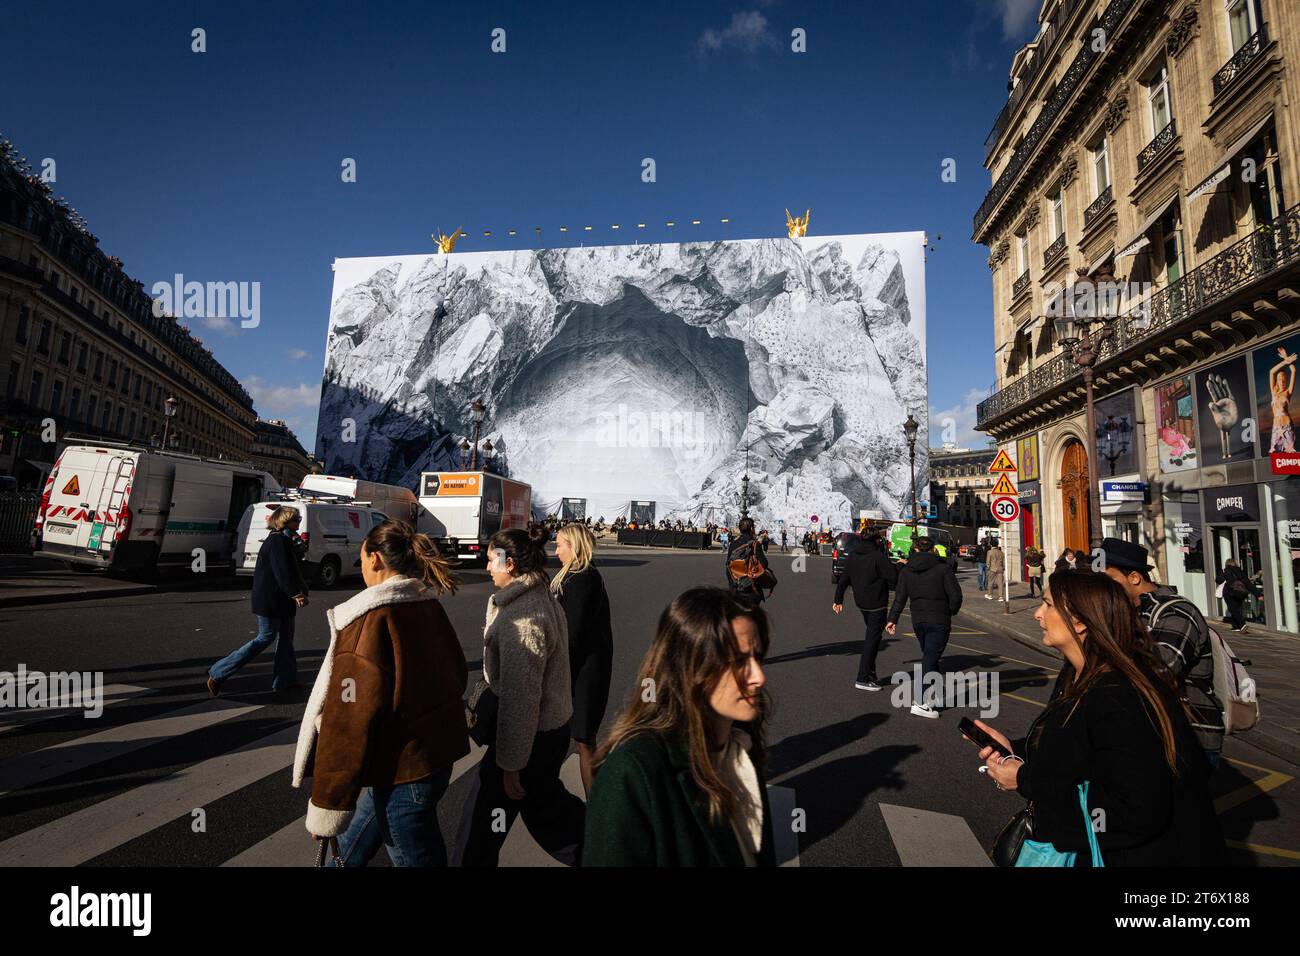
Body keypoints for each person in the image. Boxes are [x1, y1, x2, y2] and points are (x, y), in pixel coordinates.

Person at [971, 570, 1227, 865]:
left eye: (1048, 605)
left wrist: (1024, 779)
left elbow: (1133, 810)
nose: (1038, 614)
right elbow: (1079, 752)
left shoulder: (1118, 695)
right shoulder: (1077, 673)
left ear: (1080, 622)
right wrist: (1016, 749)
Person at [294, 521, 468, 866]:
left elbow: (348, 722)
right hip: (427, 759)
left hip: (403, 772)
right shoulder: (425, 604)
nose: (360, 567)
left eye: (361, 559)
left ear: (374, 559)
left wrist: (327, 806)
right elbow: (456, 674)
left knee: (416, 858)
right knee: (353, 848)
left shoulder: (368, 622)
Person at [583, 587, 775, 866]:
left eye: (758, 658)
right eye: (739, 662)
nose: (759, 677)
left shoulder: (741, 753)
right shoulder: (633, 771)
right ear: (692, 668)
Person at [454, 527, 585, 866]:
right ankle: (605, 846)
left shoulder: (523, 617)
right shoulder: (539, 595)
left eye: (490, 562)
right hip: (546, 732)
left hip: (529, 739)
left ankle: (607, 846)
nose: (486, 568)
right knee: (548, 815)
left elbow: (521, 698)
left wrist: (512, 764)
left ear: (509, 564)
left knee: (481, 828)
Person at [1098, 538, 1224, 769]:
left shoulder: (1176, 612)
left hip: (1189, 737)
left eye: (1109, 580)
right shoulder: (1125, 610)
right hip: (1150, 734)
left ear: (1134, 578)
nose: (1103, 589)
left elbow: (1160, 669)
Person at [208, 505, 307, 696]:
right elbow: (282, 572)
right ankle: (218, 672)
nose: (299, 522)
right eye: (297, 519)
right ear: (285, 521)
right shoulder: (277, 541)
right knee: (265, 637)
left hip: (282, 599)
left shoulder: (286, 540)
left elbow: (293, 567)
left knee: (286, 639)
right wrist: (296, 593)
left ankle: (285, 681)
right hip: (271, 599)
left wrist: (300, 588)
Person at [551, 523, 613, 796]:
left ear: (573, 547)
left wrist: (554, 672)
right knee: (583, 740)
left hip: (584, 673)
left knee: (584, 741)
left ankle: (597, 809)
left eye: (559, 545)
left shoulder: (581, 580)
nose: (555, 552)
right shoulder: (581, 576)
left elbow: (572, 635)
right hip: (588, 668)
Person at [886, 536, 962, 718]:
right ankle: (921, 702)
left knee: (930, 656)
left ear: (915, 550)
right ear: (933, 549)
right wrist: (950, 610)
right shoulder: (943, 568)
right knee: (929, 658)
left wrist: (892, 619)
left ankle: (936, 694)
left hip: (918, 620)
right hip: (939, 619)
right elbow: (956, 596)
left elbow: (900, 597)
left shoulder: (906, 570)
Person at [833, 531, 899, 692]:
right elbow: (893, 576)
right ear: (876, 541)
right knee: (872, 640)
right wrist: (900, 565)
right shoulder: (878, 556)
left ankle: (870, 673)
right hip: (877, 603)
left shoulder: (853, 555)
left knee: (872, 636)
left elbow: (843, 579)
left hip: (861, 602)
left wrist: (838, 600)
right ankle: (862, 678)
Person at [725, 516, 772, 606]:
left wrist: (732, 586)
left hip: (736, 587)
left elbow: (728, 565)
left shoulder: (733, 544)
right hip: (750, 588)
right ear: (751, 529)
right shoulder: (754, 543)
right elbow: (764, 564)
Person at [1268, 346, 1297, 452]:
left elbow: (1293, 371)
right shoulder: (1273, 392)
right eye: (1280, 379)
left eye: (1284, 379)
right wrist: (1285, 361)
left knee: (1290, 454)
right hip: (1276, 427)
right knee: (1275, 454)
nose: (1283, 381)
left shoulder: (1288, 392)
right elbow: (1271, 372)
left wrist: (1286, 357)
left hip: (1287, 426)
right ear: (1277, 381)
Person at [1216, 559, 1252, 632]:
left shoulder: (1225, 571)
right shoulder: (1240, 571)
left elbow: (1218, 580)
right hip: (1241, 592)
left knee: (1233, 609)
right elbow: (1247, 582)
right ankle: (1236, 626)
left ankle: (1242, 624)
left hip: (1229, 592)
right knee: (1237, 608)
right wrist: (1256, 593)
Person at [985, 537, 1005, 601]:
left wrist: (988, 568)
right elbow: (1003, 562)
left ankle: (990, 594)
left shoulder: (989, 552)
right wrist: (1003, 568)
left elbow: (988, 562)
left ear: (991, 545)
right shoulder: (1001, 552)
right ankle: (1001, 597)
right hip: (1000, 568)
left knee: (990, 582)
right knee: (1000, 583)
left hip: (992, 569)